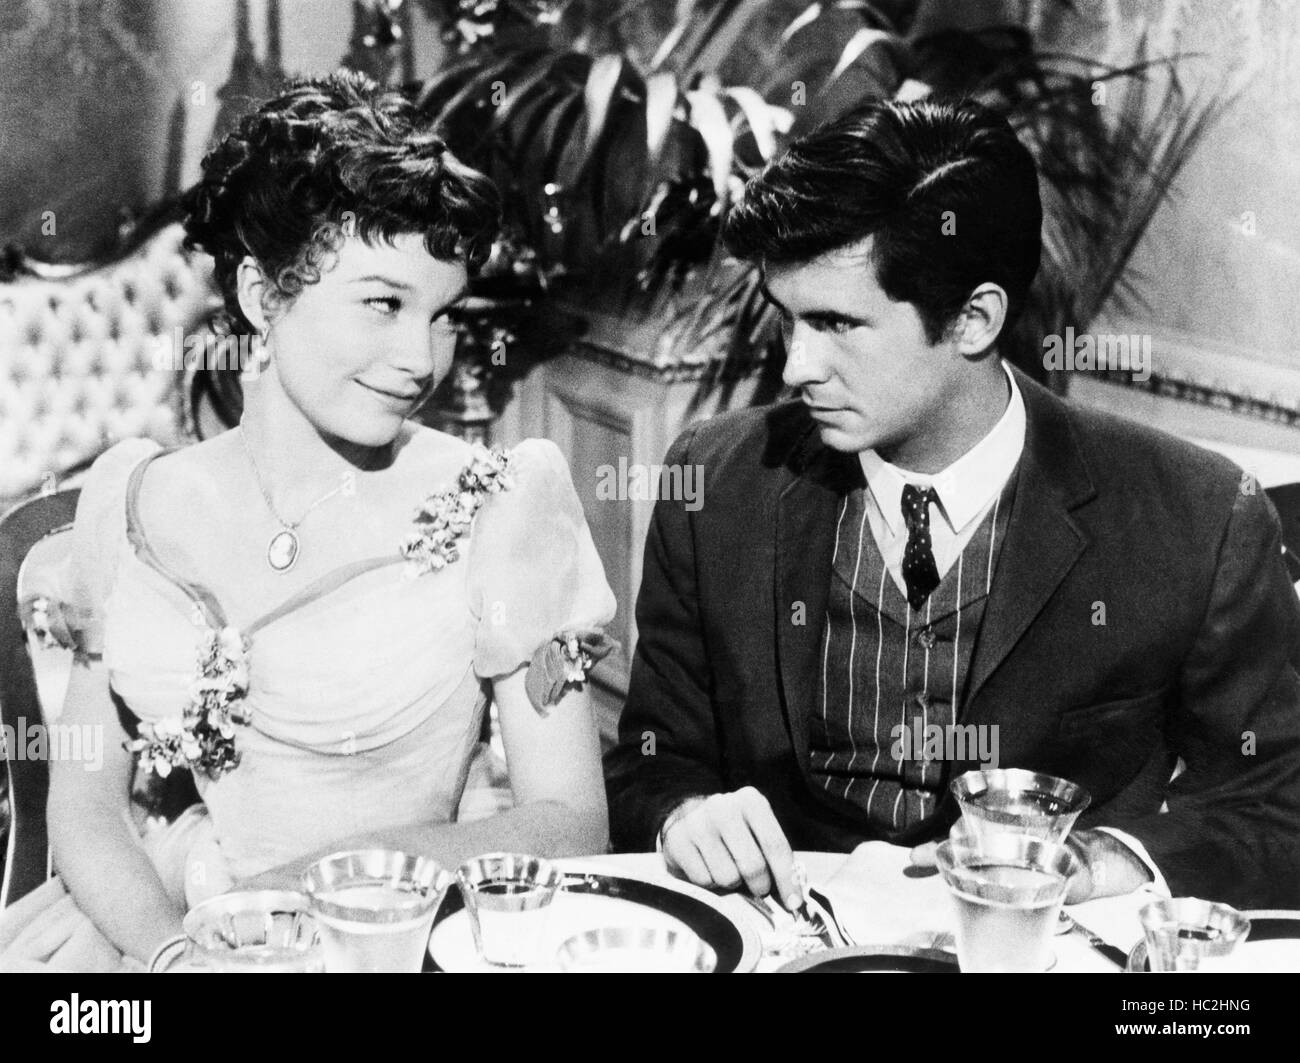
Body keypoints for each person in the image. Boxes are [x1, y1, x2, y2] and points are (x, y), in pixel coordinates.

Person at [604, 97, 1300, 913]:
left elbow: (1280, 802)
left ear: (974, 319)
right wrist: (686, 813)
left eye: (835, 323)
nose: (796, 367)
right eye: (788, 320)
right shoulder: (715, 482)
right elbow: (651, 759)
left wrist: (1097, 860)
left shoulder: (1196, 515)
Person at [0, 71, 614, 971]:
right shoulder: (130, 502)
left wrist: (291, 894)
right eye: (382, 302)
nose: (418, 358)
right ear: (261, 294)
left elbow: (571, 824)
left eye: (442, 315)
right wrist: (176, 954)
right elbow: (88, 806)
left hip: (398, 938)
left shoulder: (504, 500)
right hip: (170, 929)